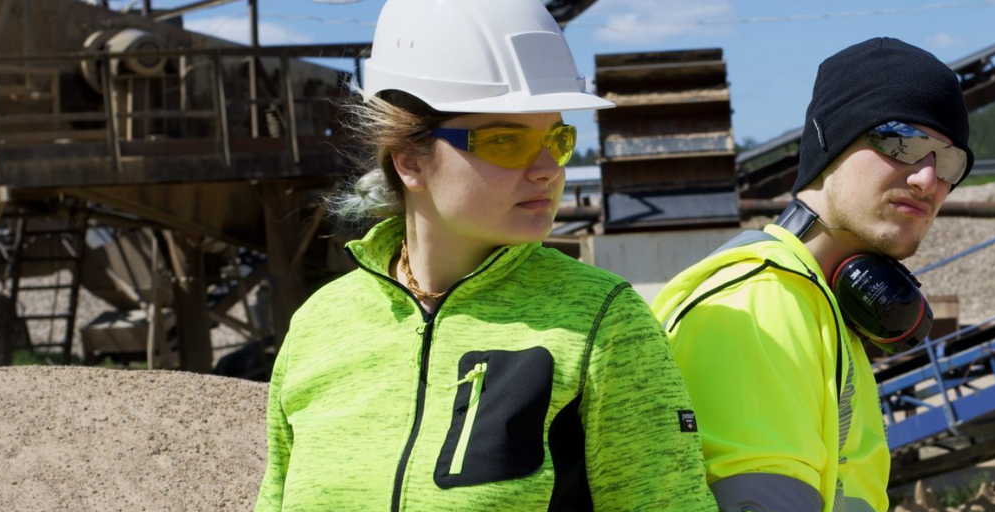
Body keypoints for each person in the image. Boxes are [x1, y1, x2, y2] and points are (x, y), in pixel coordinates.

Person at [253, 1, 716, 510]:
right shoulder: (320, 325)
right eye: (505, 141)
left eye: (558, 139)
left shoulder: (601, 322)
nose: (548, 169)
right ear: (410, 162)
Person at [652, 37, 974, 512]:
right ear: (832, 141)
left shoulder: (821, 306)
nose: (928, 179)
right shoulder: (761, 306)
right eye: (901, 141)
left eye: (949, 161)